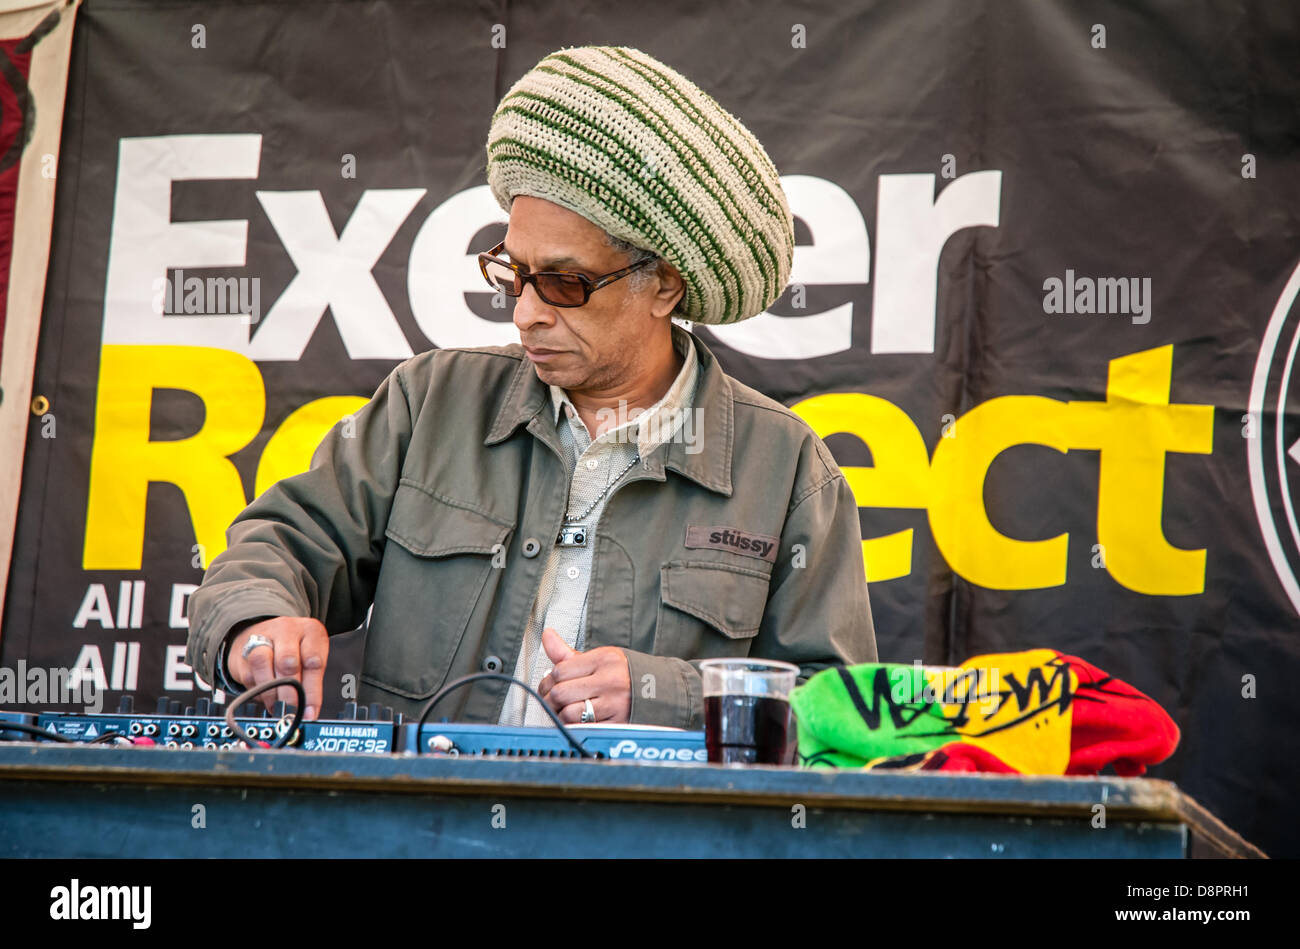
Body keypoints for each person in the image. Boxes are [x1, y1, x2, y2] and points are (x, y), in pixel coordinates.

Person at [185, 45, 877, 728]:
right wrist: (257, 621)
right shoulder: (429, 402)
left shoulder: (787, 470)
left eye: (564, 282)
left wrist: (666, 693)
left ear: (663, 284)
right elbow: (281, 543)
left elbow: (840, 709)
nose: (526, 312)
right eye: (513, 274)